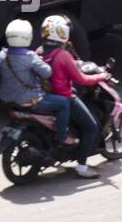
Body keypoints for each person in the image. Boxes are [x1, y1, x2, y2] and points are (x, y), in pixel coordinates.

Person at [38, 15, 104, 178]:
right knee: (92, 127)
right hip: (65, 96)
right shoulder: (62, 55)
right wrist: (100, 77)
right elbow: (81, 79)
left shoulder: (39, 51)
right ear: (62, 33)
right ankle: (82, 167)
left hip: (45, 96)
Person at [0, 17, 74, 148]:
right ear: (27, 37)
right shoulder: (30, 57)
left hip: (7, 99)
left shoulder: (3, 55)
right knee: (64, 103)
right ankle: (62, 135)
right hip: (29, 100)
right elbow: (47, 72)